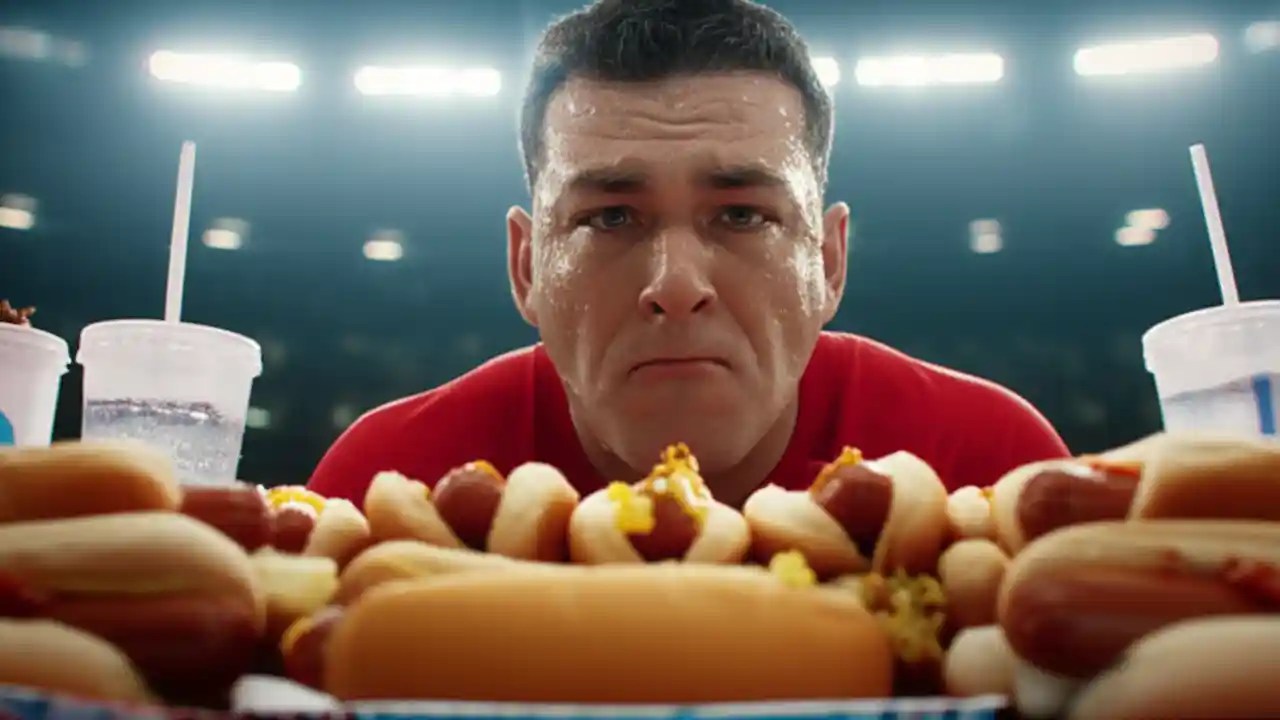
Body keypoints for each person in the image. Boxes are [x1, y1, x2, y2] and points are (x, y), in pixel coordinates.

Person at [307, 0, 1069, 509]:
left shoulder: (992, 465)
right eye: (609, 218)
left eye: (742, 214)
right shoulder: (384, 482)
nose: (676, 286)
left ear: (830, 263)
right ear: (528, 266)